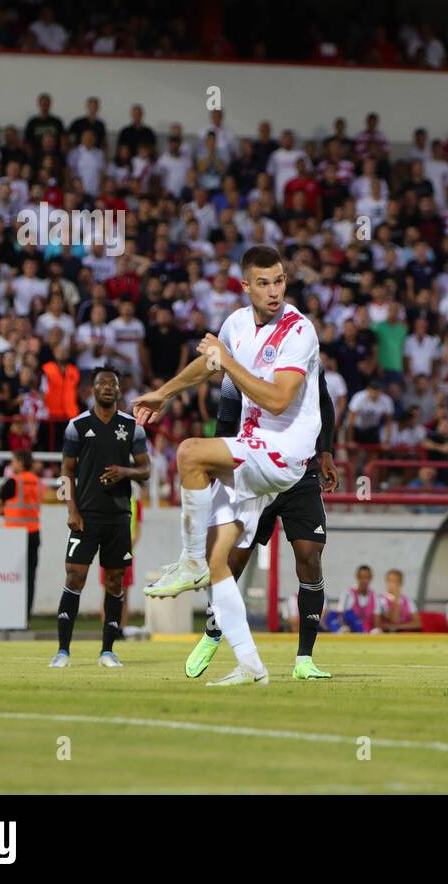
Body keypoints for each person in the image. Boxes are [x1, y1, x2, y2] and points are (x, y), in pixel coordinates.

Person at [135, 246, 321, 686]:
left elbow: (277, 398)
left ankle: (189, 559)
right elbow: (208, 365)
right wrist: (164, 392)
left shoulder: (299, 330)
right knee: (225, 563)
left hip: (286, 453)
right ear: (245, 286)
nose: (274, 291)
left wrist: (228, 359)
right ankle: (250, 664)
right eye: (263, 283)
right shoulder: (236, 324)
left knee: (189, 453)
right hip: (250, 449)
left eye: (279, 281)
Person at [183, 366, 340, 680]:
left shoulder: (306, 356)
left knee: (310, 557)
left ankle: (304, 660)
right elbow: (227, 419)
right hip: (253, 473)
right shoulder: (237, 365)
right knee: (232, 561)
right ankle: (213, 632)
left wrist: (326, 451)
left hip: (300, 471)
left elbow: (323, 402)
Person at [50, 367, 150, 668]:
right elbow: (66, 470)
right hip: (86, 515)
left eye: (113, 384)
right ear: (91, 390)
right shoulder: (77, 426)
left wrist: (125, 472)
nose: (108, 387)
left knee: (116, 581)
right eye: (102, 383)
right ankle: (63, 651)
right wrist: (71, 509)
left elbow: (145, 471)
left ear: (119, 391)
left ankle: (108, 650)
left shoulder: (133, 427)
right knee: (74, 575)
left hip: (119, 516)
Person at [0, 450, 40, 623]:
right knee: (30, 577)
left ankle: (9, 614)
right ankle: (25, 616)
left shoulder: (13, 482)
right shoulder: (37, 482)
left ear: (20, 463)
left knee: (11, 576)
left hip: (14, 535)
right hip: (34, 533)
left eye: (14, 461)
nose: (12, 464)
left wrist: (10, 513)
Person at [377, 568, 420, 632]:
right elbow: (394, 620)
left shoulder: (408, 601)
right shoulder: (380, 600)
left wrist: (398, 627)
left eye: (396, 581)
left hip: (405, 637)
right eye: (390, 580)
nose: (393, 584)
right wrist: (396, 599)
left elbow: (418, 623)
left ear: (401, 583)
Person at [338, 565, 378, 633]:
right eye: (361, 577)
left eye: (366, 577)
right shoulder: (347, 594)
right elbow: (340, 615)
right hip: (351, 631)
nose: (364, 580)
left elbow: (377, 620)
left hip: (368, 632)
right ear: (357, 577)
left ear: (371, 578)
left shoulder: (375, 596)